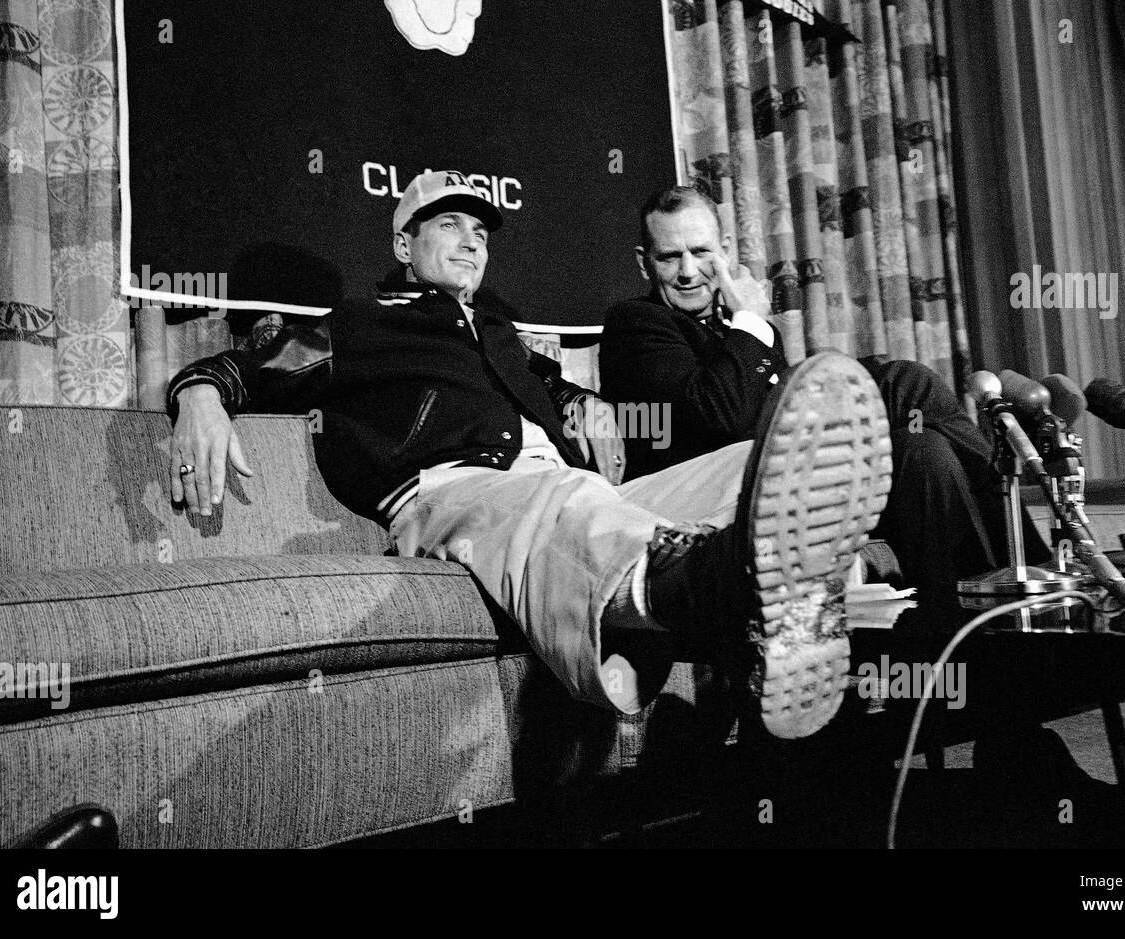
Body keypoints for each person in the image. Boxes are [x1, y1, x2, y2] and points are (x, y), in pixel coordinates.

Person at [166, 169, 893, 740]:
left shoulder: (502, 334)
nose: (473, 240)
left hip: (570, 494)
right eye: (448, 223)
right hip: (455, 493)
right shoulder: (357, 323)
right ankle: (727, 590)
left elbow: (569, 401)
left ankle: (786, 599)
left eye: (480, 229)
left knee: (744, 466)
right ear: (402, 244)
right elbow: (257, 368)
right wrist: (199, 390)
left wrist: (586, 410)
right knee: (567, 500)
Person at [600, 184, 1050, 598]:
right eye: (669, 257)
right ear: (644, 262)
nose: (688, 271)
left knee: (921, 439)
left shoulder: (737, 329)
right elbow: (725, 419)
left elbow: (767, 405)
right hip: (725, 494)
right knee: (911, 404)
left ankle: (989, 601)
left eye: (701, 252)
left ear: (726, 251)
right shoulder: (636, 325)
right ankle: (1037, 567)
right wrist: (753, 323)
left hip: (798, 473)